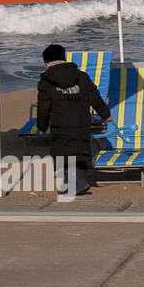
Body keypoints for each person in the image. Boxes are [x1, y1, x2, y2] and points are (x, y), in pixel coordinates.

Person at [35, 44, 110, 194]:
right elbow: (94, 97)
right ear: (64, 58)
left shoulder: (46, 82)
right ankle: (77, 181)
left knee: (62, 152)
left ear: (46, 62)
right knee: (80, 151)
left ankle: (75, 183)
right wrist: (105, 114)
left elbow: (43, 107)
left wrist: (42, 125)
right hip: (81, 123)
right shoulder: (81, 76)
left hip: (59, 125)